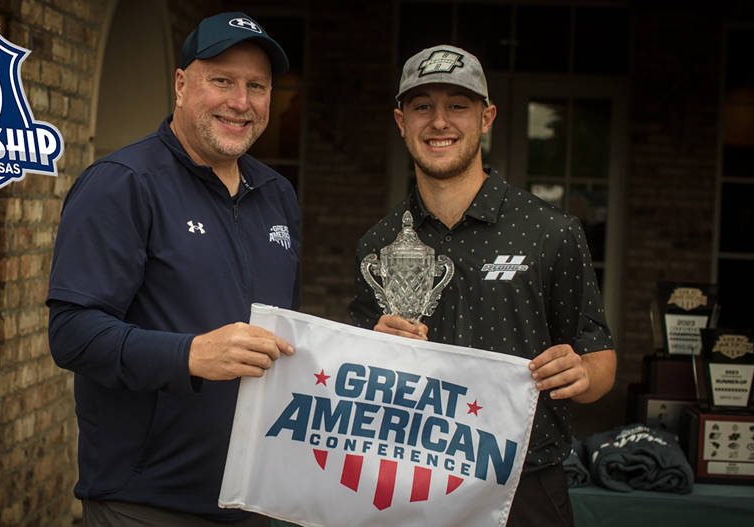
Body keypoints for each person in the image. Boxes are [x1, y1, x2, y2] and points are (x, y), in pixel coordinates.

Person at [46, 12, 300, 527]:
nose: (240, 101)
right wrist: (190, 354)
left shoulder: (277, 195)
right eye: (222, 81)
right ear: (182, 85)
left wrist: (367, 350)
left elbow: (278, 340)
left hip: (256, 496)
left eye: (257, 86)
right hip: (146, 503)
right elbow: (71, 334)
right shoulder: (122, 184)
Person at [349, 45, 617, 527]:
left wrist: (580, 374)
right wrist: (371, 348)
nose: (439, 121)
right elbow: (359, 374)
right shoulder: (378, 243)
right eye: (422, 106)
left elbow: (600, 360)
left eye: (457, 104)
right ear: (400, 120)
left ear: (486, 117)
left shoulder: (550, 232)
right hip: (410, 482)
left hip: (523, 486)